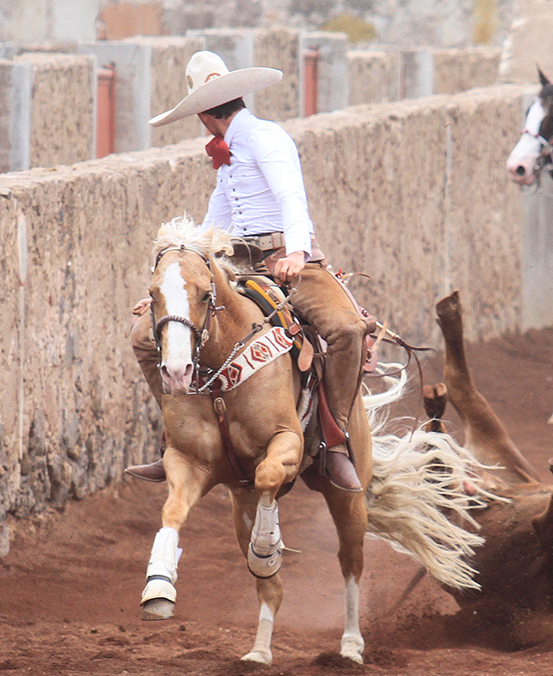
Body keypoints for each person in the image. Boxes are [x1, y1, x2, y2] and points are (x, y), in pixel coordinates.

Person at [125, 51, 370, 492]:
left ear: (202, 113)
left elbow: (291, 198)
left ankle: (335, 442)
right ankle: (177, 438)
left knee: (347, 329)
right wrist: (175, 289)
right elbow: (213, 221)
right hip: (234, 265)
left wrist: (296, 253)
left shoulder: (265, 137)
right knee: (145, 336)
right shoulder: (227, 151)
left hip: (286, 258)